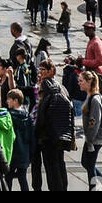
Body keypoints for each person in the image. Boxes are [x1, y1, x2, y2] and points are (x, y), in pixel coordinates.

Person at [33, 58, 73, 191]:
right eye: (40, 70)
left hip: (48, 135)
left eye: (44, 70)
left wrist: (38, 131)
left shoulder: (46, 88)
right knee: (59, 163)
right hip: (60, 133)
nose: (41, 73)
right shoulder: (60, 88)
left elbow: (42, 114)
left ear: (52, 71)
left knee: (52, 166)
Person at [79, 70, 102, 191]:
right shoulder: (90, 96)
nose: (79, 83)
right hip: (91, 138)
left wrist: (90, 142)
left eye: (81, 81)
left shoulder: (95, 100)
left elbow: (94, 122)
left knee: (89, 166)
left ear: (89, 82)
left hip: (94, 139)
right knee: (87, 163)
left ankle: (96, 188)